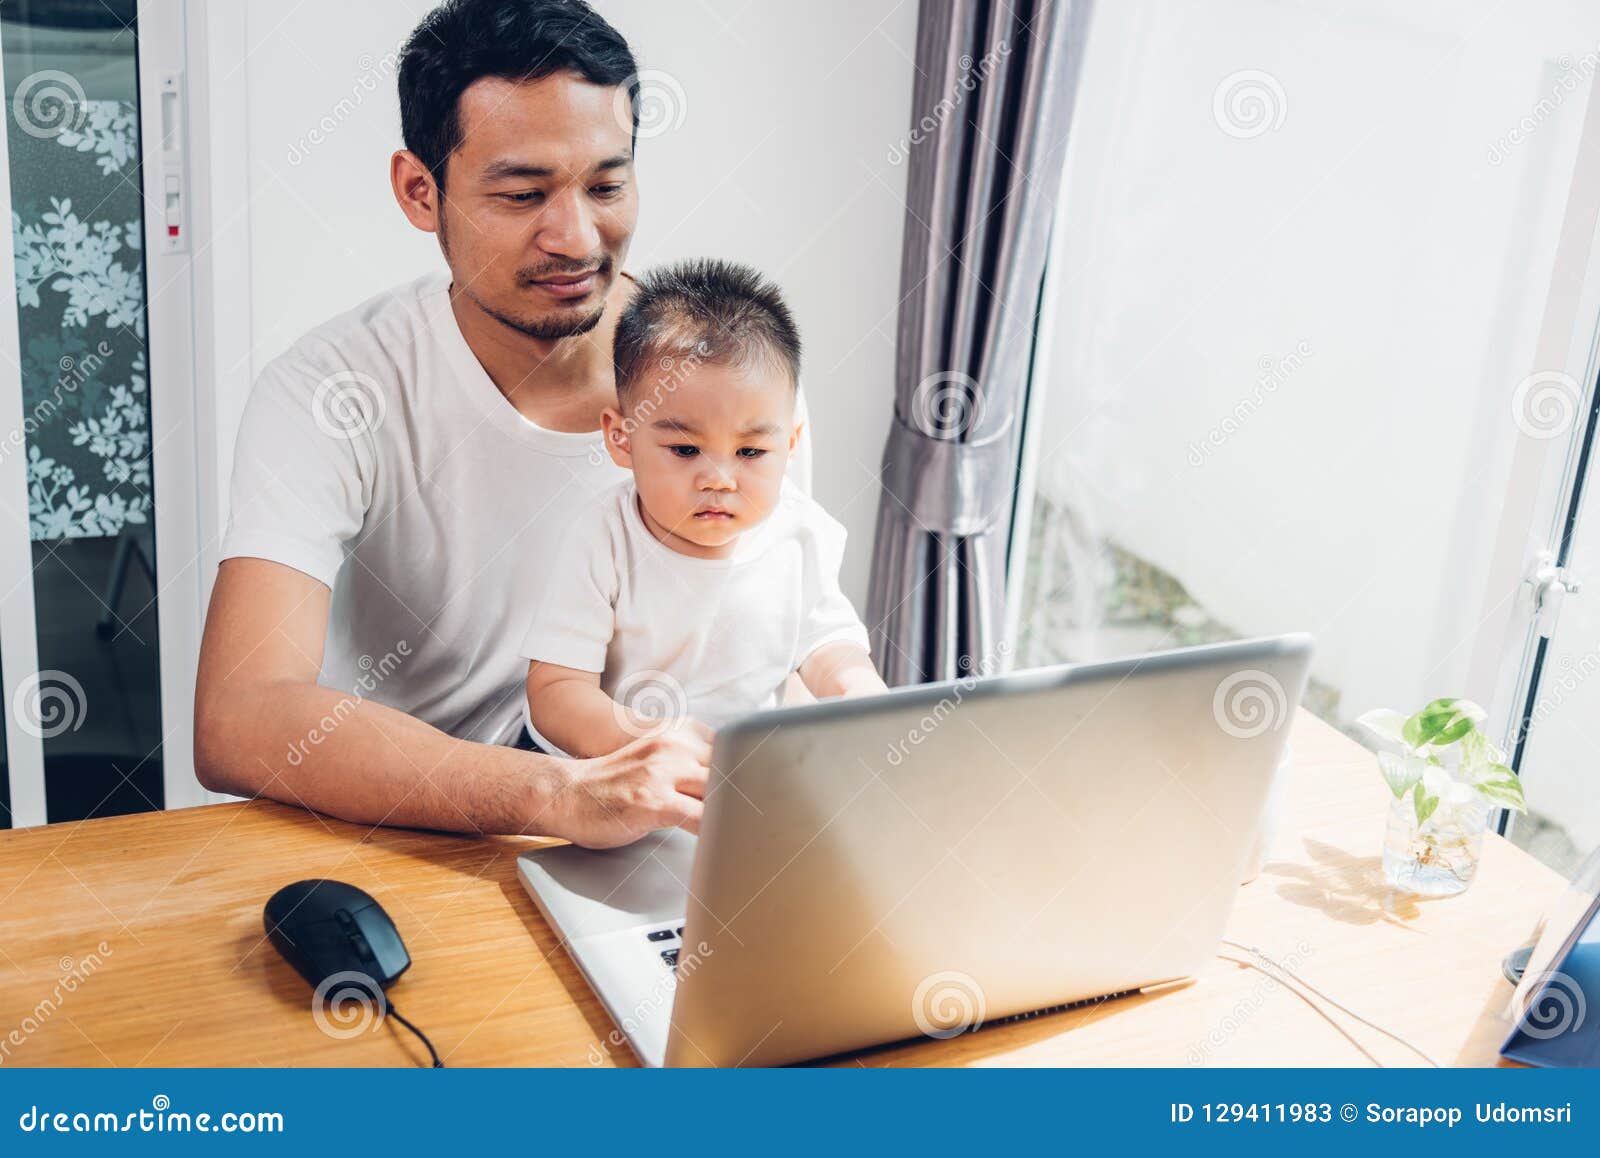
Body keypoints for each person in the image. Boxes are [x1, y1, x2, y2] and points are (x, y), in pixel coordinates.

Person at [193, 0, 819, 849]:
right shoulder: (331, 388)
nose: (576, 237)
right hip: (405, 832)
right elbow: (239, 716)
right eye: (524, 194)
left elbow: (772, 633)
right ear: (422, 192)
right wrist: (556, 793)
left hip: (658, 832)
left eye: (606, 185)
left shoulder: (725, 386)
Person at [523, 260, 886, 757]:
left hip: (745, 787)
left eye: (751, 453)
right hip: (621, 783)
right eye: (686, 450)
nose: (719, 478)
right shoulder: (603, 539)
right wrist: (652, 742)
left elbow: (827, 645)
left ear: (791, 444)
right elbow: (556, 696)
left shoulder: (801, 533)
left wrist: (858, 693)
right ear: (621, 438)